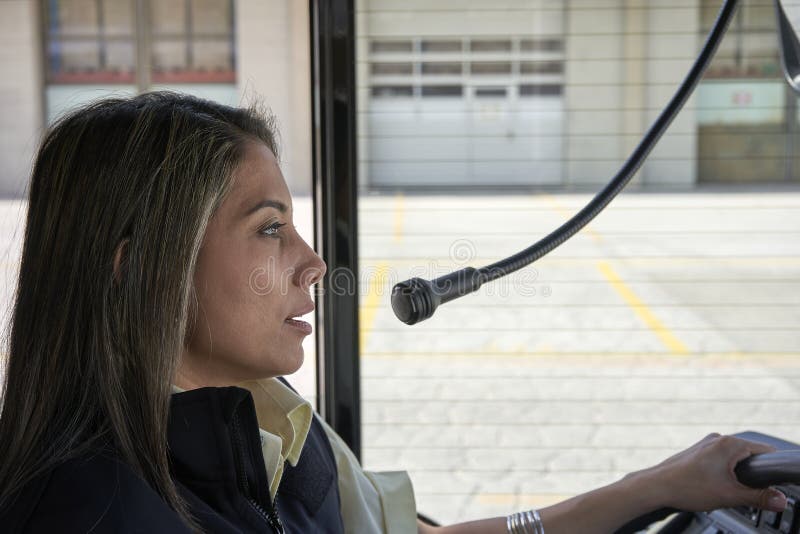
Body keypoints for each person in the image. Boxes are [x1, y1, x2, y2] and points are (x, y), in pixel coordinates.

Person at [0, 92, 787, 534]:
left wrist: (656, 487)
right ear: (141, 270)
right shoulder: (97, 516)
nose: (314, 263)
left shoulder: (272, 428)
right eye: (270, 230)